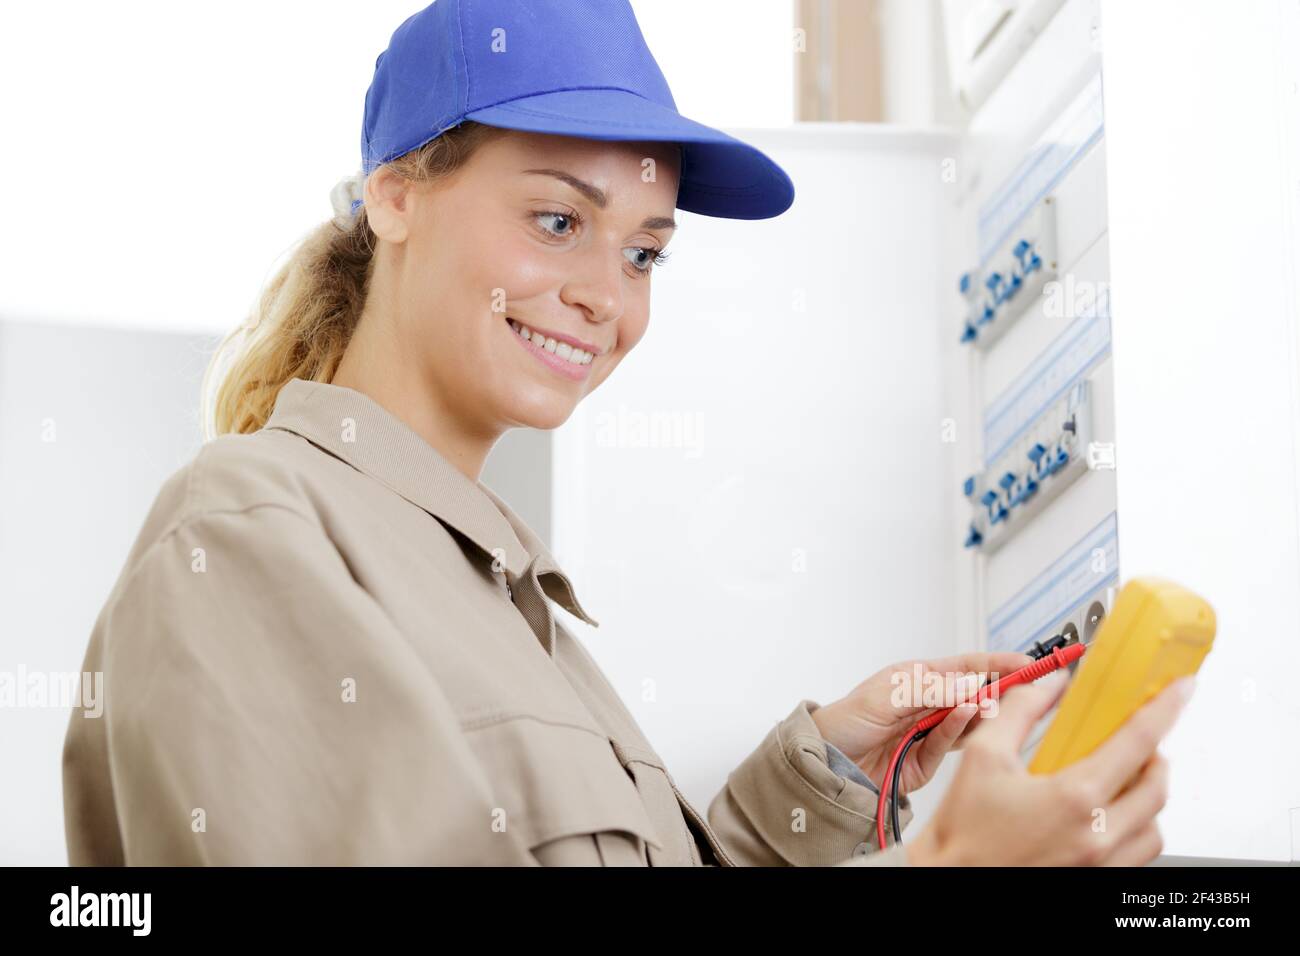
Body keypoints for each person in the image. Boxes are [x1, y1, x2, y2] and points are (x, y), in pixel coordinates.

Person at [61, 0, 1191, 866]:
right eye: (559, 220)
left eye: (644, 252)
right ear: (397, 193)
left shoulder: (504, 601)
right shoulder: (249, 537)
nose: (608, 296)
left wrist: (820, 772)